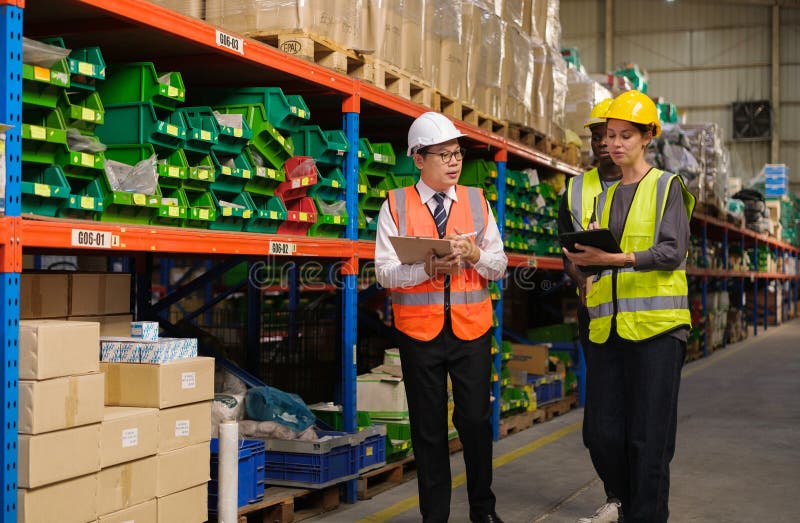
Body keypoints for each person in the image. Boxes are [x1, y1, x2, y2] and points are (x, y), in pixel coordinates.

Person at [563, 90, 695, 523]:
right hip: (606, 328)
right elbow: (591, 255)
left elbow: (672, 252)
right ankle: (621, 500)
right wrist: (584, 264)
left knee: (649, 437)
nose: (614, 144)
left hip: (658, 329)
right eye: (610, 136)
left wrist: (613, 259)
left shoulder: (666, 187)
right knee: (601, 432)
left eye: (625, 136)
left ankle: (646, 515)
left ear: (647, 139)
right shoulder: (601, 194)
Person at [375, 111, 508, 523]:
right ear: (418, 158)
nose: (454, 162)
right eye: (443, 154)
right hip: (420, 334)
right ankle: (435, 517)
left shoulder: (476, 200)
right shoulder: (395, 204)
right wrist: (427, 269)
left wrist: (476, 255)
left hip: (471, 330)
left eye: (457, 153)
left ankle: (482, 511)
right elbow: (384, 272)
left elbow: (499, 266)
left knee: (473, 422)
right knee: (428, 430)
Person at [557, 98, 623, 523]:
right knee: (599, 423)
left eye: (611, 134)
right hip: (596, 316)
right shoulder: (577, 189)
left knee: (638, 418)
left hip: (644, 319)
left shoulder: (650, 186)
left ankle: (633, 500)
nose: (602, 142)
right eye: (597, 135)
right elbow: (567, 250)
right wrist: (580, 280)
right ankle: (615, 495)